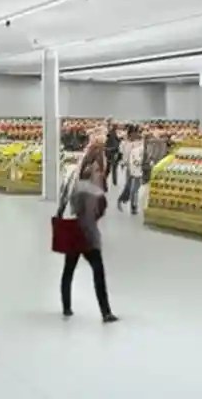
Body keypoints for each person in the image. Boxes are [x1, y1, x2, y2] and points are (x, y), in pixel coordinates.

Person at [59, 144, 116, 323]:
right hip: (86, 231)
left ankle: (66, 307)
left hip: (73, 226)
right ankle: (106, 312)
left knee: (69, 269)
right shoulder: (95, 177)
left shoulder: (77, 173)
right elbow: (91, 209)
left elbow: (69, 200)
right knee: (98, 271)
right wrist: (93, 236)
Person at [116, 126, 145, 214]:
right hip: (131, 167)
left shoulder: (138, 142)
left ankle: (128, 202)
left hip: (136, 167)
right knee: (132, 187)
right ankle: (132, 204)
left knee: (133, 187)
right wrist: (123, 162)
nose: (134, 135)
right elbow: (123, 154)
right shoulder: (127, 143)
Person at [104, 123, 121, 187]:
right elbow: (115, 144)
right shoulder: (112, 134)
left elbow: (107, 143)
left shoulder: (111, 133)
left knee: (109, 169)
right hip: (113, 153)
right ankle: (114, 182)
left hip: (110, 153)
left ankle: (107, 180)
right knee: (113, 169)